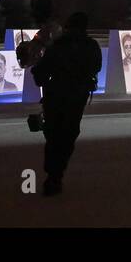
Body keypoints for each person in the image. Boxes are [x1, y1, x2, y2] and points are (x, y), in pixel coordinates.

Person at [31, 11, 102, 197]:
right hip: (77, 95)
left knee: (53, 133)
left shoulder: (58, 45)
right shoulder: (91, 46)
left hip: (55, 93)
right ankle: (57, 172)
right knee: (69, 132)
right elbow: (96, 67)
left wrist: (42, 79)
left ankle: (52, 173)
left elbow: (41, 70)